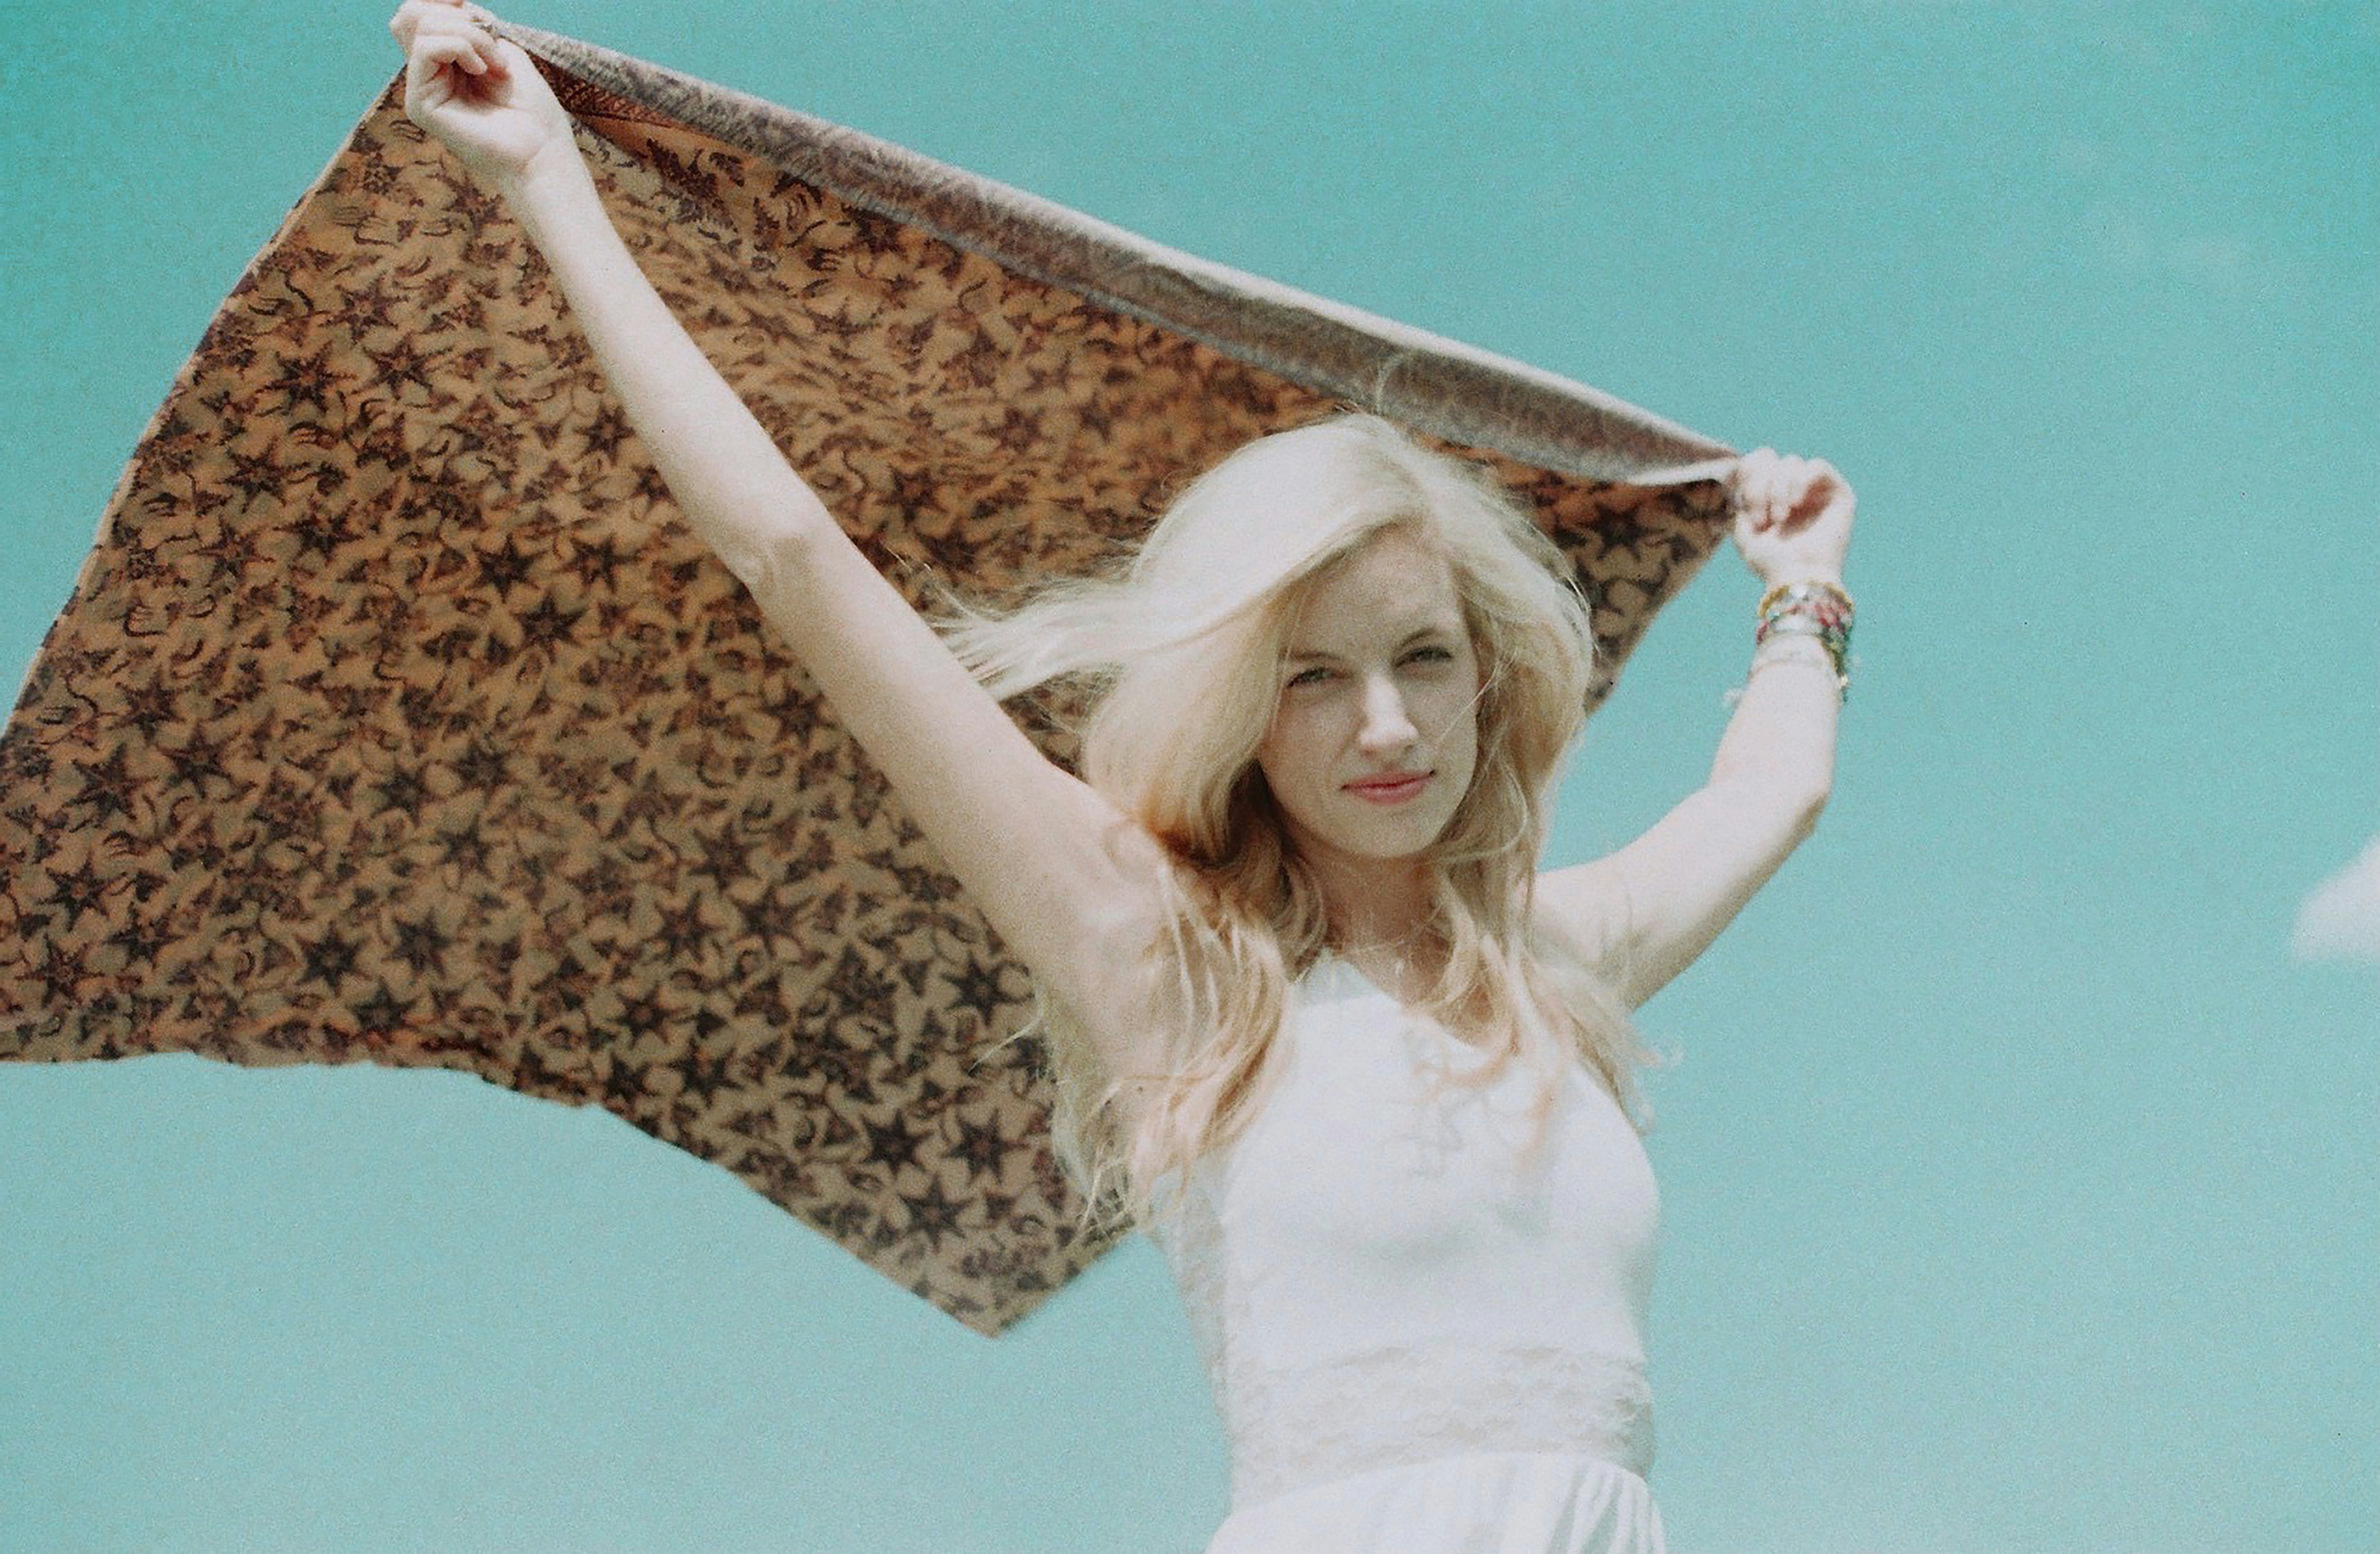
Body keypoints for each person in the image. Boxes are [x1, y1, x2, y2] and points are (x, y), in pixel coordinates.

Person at [389, 5, 1856, 1549]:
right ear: (1242, 715)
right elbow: (793, 558)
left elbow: (1774, 795)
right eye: (1311, 677)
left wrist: (1804, 586)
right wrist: (546, 179)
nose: (1387, 728)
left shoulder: (1553, 963)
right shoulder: (1169, 964)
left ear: (1484, 673)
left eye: (1423, 658)